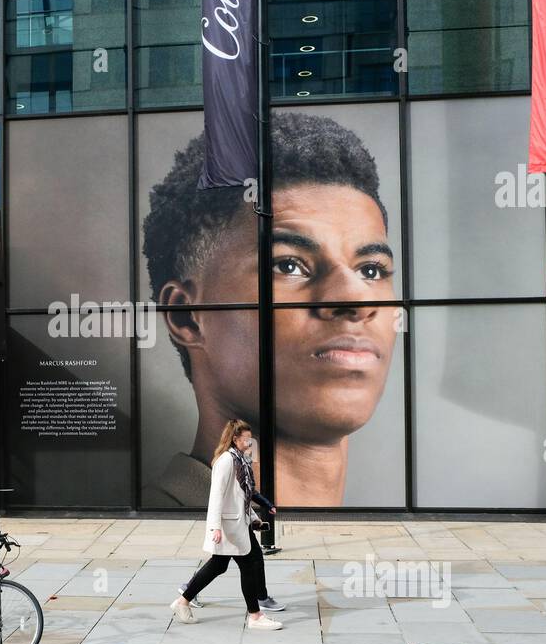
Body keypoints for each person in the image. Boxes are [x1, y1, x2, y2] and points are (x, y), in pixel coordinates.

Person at [143, 111, 398, 509]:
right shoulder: (162, 537)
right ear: (186, 317)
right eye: (288, 265)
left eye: (371, 269)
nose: (358, 300)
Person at [170, 420, 282, 631]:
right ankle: (255, 615)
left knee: (219, 565)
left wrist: (254, 518)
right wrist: (215, 528)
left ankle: (183, 601)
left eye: (251, 440)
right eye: (246, 440)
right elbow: (217, 497)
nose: (250, 444)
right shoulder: (226, 461)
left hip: (239, 524)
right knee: (248, 565)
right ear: (235, 439)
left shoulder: (241, 461)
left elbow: (242, 495)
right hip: (228, 527)